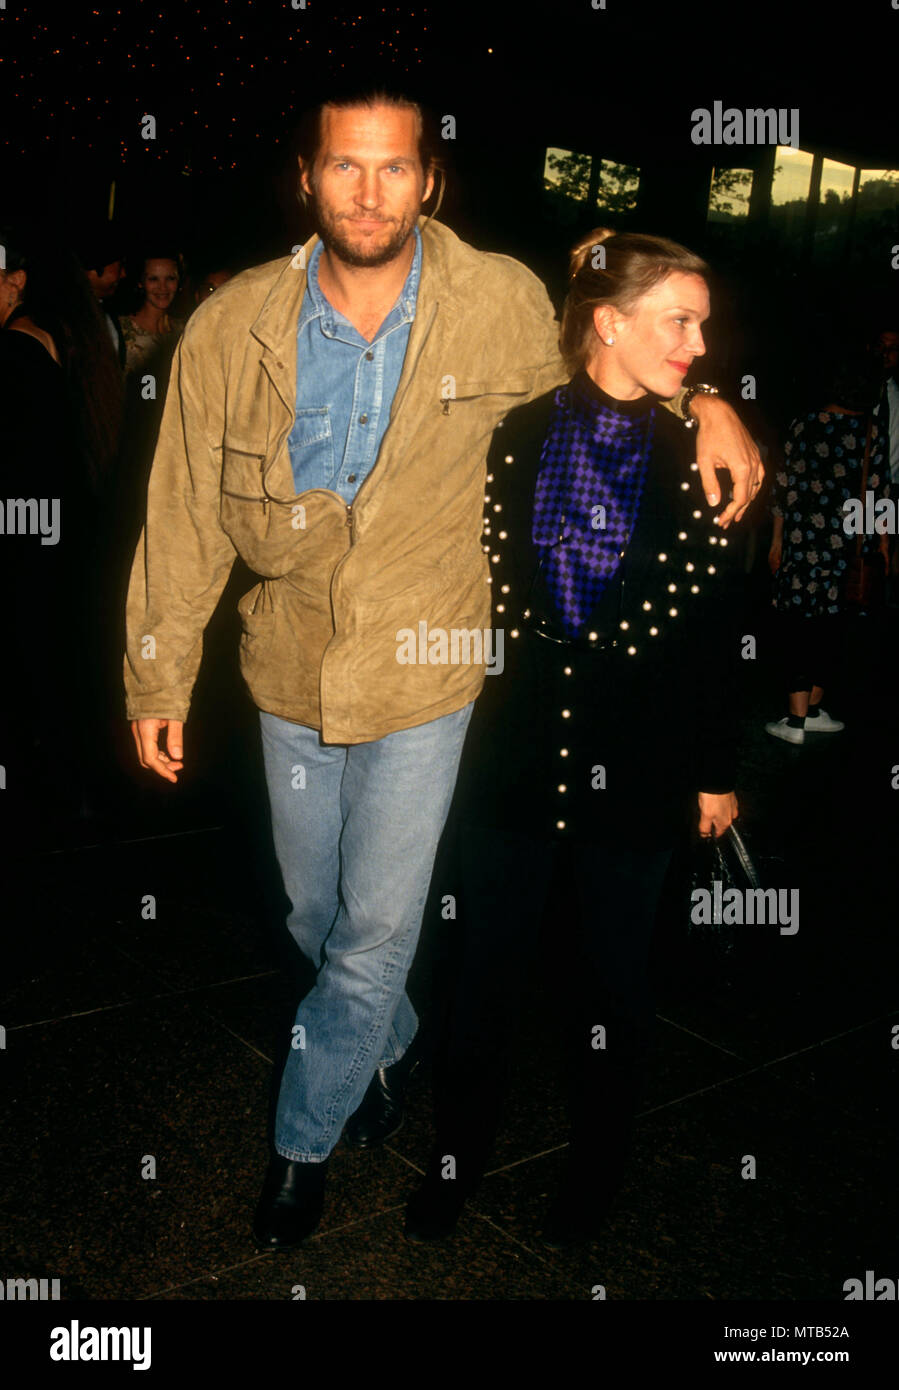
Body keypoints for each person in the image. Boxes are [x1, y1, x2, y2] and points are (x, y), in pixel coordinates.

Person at [122, 87, 763, 1252]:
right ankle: (386, 1038)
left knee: (371, 927)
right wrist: (158, 675)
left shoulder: (497, 299)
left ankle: (301, 1148)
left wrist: (707, 397)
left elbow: (602, 372)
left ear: (430, 179)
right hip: (290, 670)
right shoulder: (235, 325)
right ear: (307, 177)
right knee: (311, 912)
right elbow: (182, 516)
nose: (369, 192)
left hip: (432, 666)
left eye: (393, 168)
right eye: (344, 168)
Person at [403, 227, 745, 1248]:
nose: (694, 344)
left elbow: (716, 631)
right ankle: (454, 1159)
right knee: (482, 975)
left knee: (615, 984)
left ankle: (592, 1178)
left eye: (702, 328)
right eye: (676, 321)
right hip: (511, 757)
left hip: (638, 761)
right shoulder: (514, 429)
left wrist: (714, 769)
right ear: (607, 321)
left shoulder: (703, 453)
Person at [766, 352, 889, 744]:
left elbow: (782, 489)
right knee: (833, 627)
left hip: (803, 542)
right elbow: (877, 496)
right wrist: (882, 547)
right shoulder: (870, 431)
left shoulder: (802, 424)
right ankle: (810, 713)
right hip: (846, 543)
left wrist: (777, 540)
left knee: (798, 625)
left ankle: (801, 719)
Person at [119, 253, 186, 377]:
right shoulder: (120, 329)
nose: (162, 287)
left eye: (170, 278)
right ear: (141, 282)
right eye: (153, 279)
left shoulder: (185, 330)